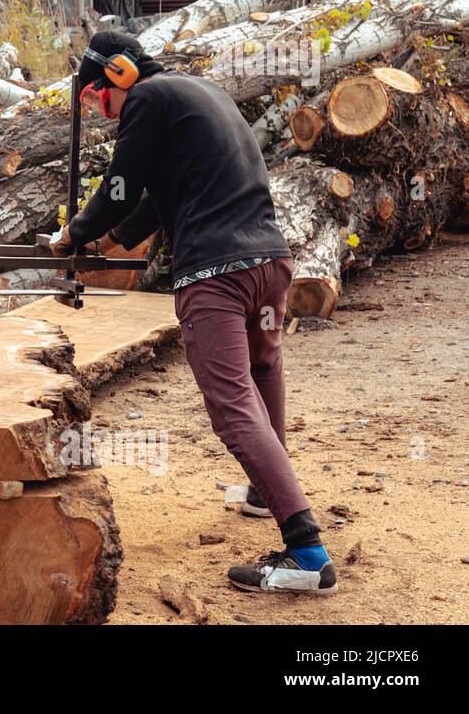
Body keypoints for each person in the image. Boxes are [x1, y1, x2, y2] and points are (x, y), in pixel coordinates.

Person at [51, 30, 337, 595]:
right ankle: (265, 493)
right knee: (261, 374)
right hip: (268, 264)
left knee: (231, 406)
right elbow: (155, 201)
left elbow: (120, 188)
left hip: (216, 275)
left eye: (96, 99)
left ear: (119, 75)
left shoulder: (149, 99)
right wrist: (104, 244)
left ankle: (307, 554)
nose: (101, 112)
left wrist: (73, 234)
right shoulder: (199, 95)